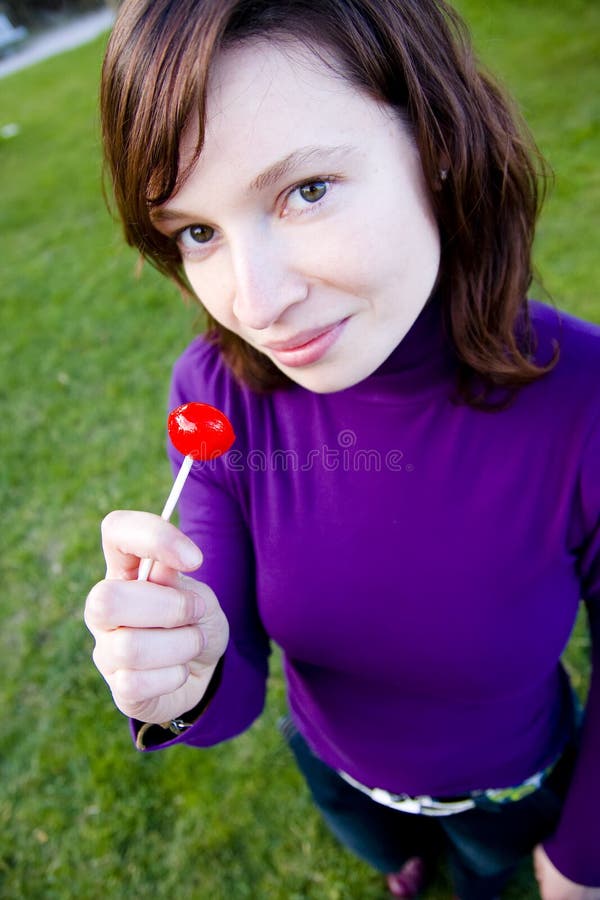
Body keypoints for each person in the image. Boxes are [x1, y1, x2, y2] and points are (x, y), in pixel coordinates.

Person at [84, 1, 600, 897]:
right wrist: (188, 676)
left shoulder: (584, 399)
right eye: (197, 231)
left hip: (507, 791)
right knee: (376, 845)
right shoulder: (216, 394)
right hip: (331, 764)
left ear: (439, 142)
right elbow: (232, 696)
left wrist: (580, 856)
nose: (253, 302)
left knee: (487, 875)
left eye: (306, 190)